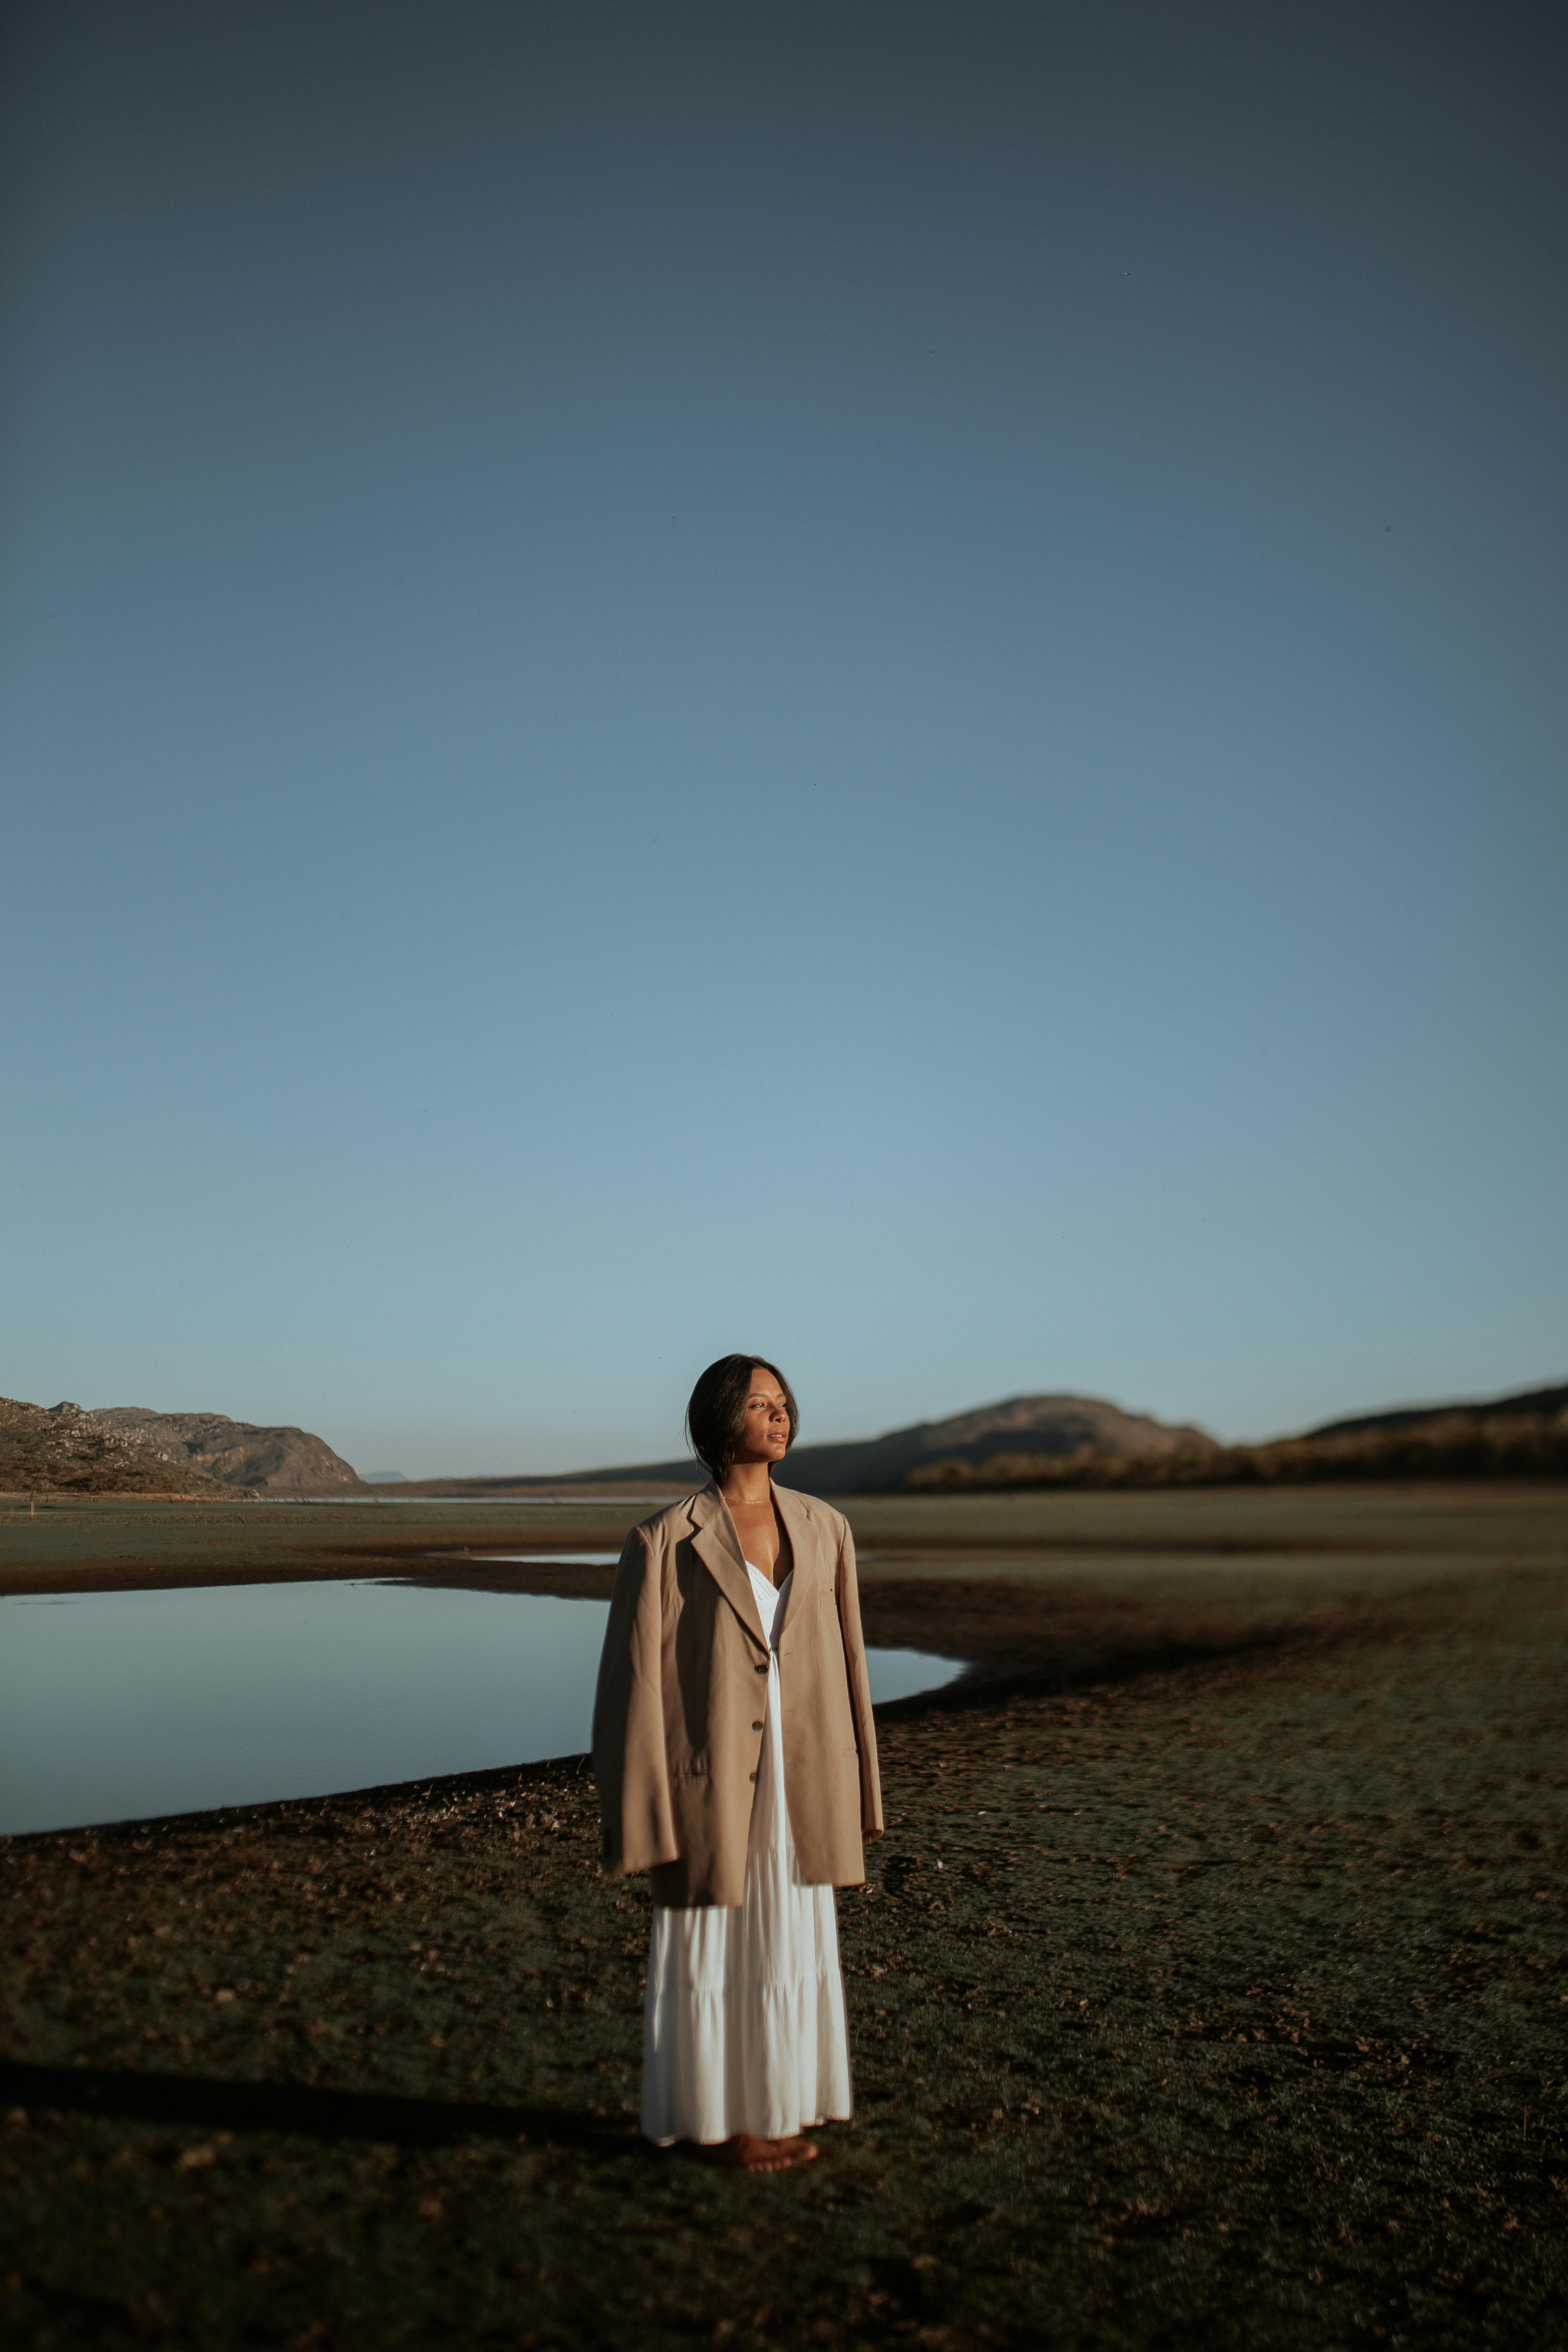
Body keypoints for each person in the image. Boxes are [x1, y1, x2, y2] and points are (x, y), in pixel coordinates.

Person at [591, 1355, 883, 2172]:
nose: (780, 1415)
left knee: (790, 1941)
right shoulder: (662, 1540)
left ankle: (780, 2103)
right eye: (760, 1404)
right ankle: (720, 2121)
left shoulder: (825, 1528)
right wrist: (638, 1814)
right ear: (722, 1419)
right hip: (709, 1782)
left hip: (803, 1776)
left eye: (784, 1403)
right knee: (714, 1948)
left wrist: (861, 1785)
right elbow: (631, 1687)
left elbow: (851, 1664)